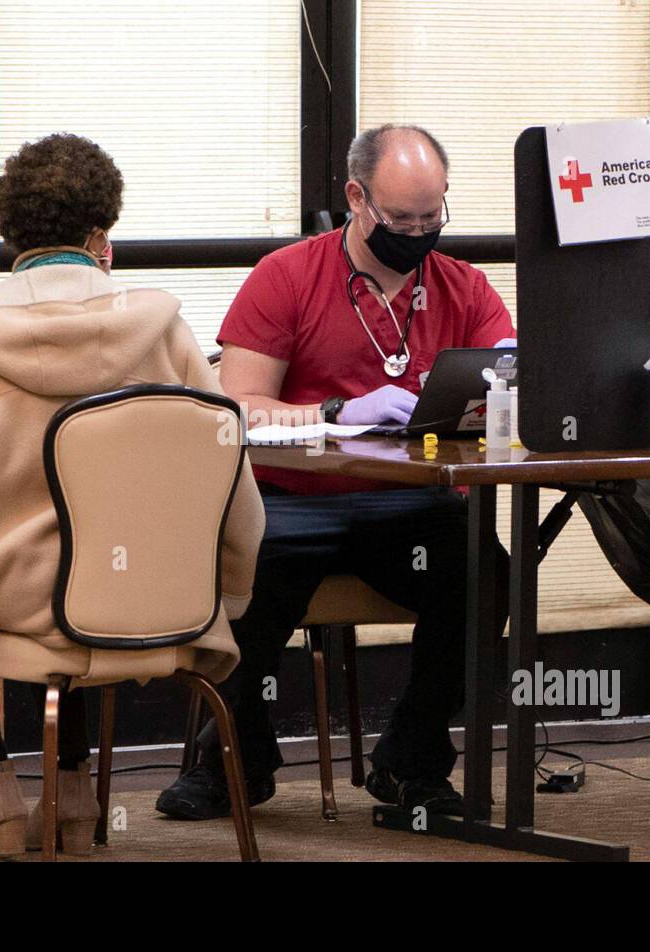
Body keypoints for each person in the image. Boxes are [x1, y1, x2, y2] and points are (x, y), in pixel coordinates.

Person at [0, 133, 265, 857]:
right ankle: (78, 793)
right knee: (73, 574)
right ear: (100, 236)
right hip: (159, 599)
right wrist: (228, 595)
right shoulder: (169, 334)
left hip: (17, 600)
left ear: (9, 234)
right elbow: (234, 489)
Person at [156, 123, 513, 821]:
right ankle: (234, 755)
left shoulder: (463, 287)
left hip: (409, 508)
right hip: (292, 501)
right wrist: (338, 410)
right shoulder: (287, 277)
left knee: (484, 573)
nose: (417, 234)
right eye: (400, 219)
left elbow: (508, 369)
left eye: (431, 217)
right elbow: (237, 406)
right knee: (246, 580)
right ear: (356, 197)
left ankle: (410, 761)